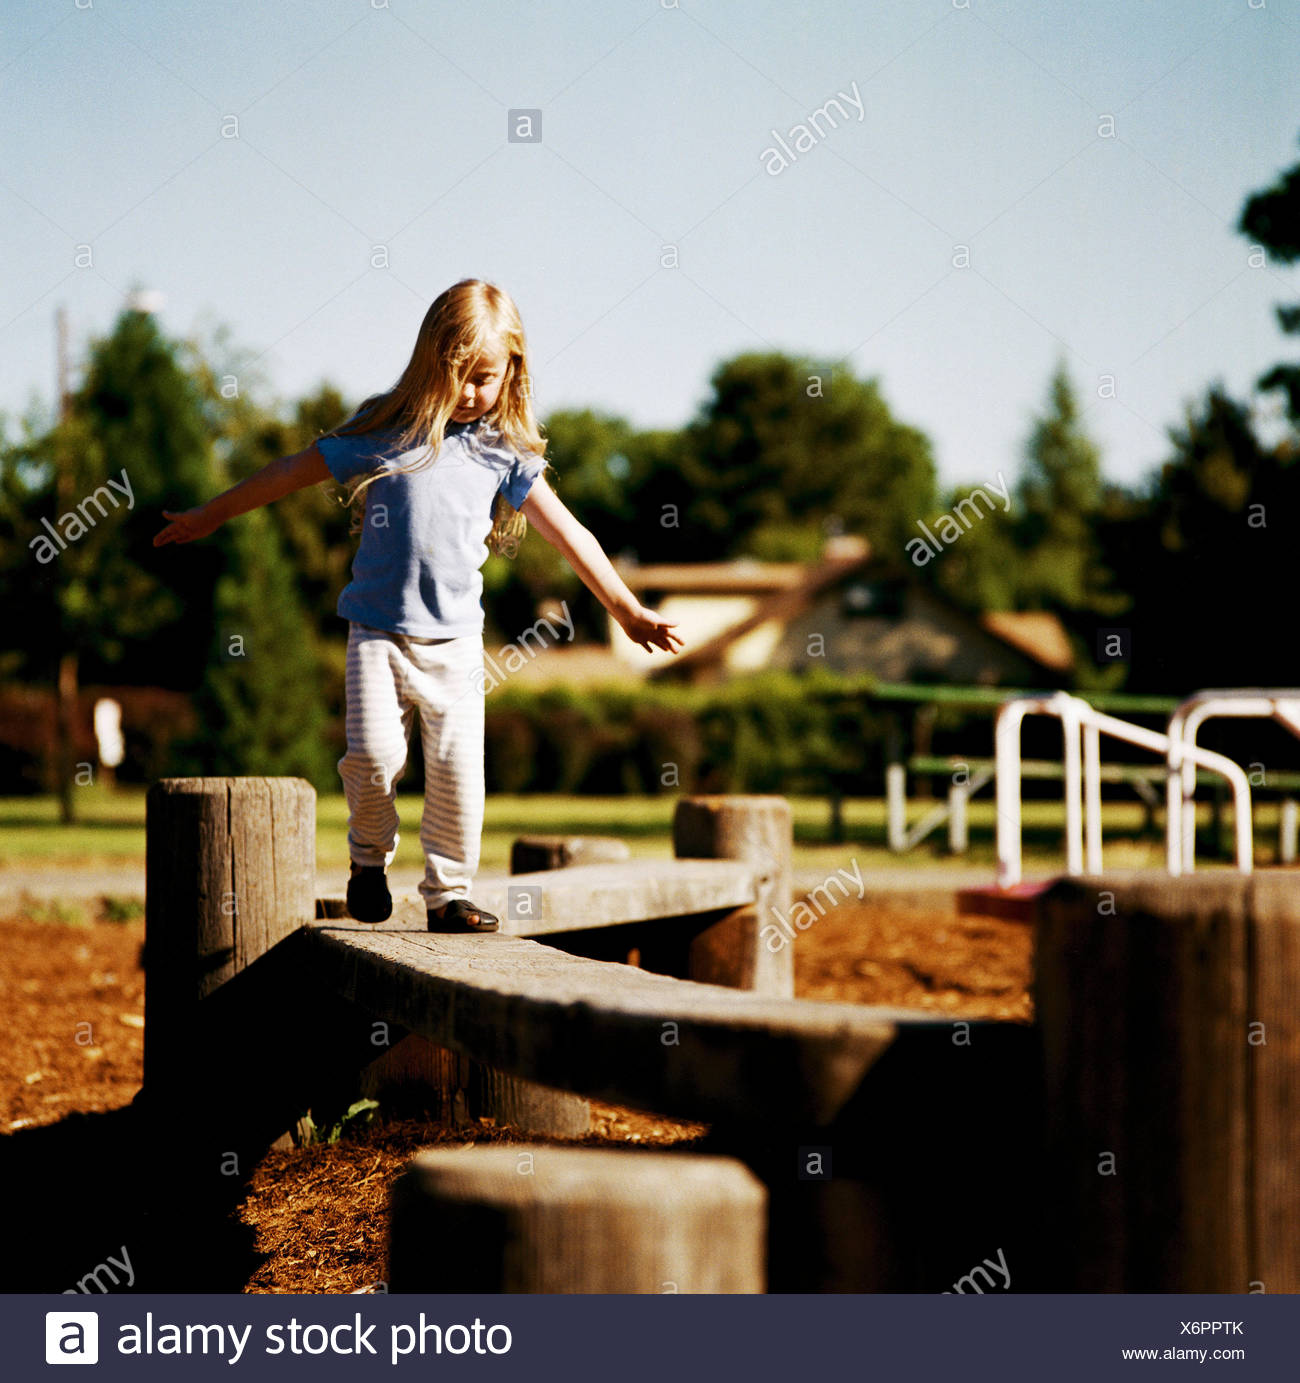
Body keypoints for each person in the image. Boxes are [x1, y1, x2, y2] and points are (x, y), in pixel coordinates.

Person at [154, 278, 683, 933]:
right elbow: (287, 472)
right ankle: (368, 860)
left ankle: (449, 894)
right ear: (428, 360)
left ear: (510, 370)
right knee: (372, 757)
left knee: (460, 778)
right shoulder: (384, 433)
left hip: (457, 647)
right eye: (455, 374)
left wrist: (626, 608)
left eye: (484, 378)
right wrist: (211, 514)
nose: (468, 393)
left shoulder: (504, 451)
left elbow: (570, 533)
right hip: (376, 635)